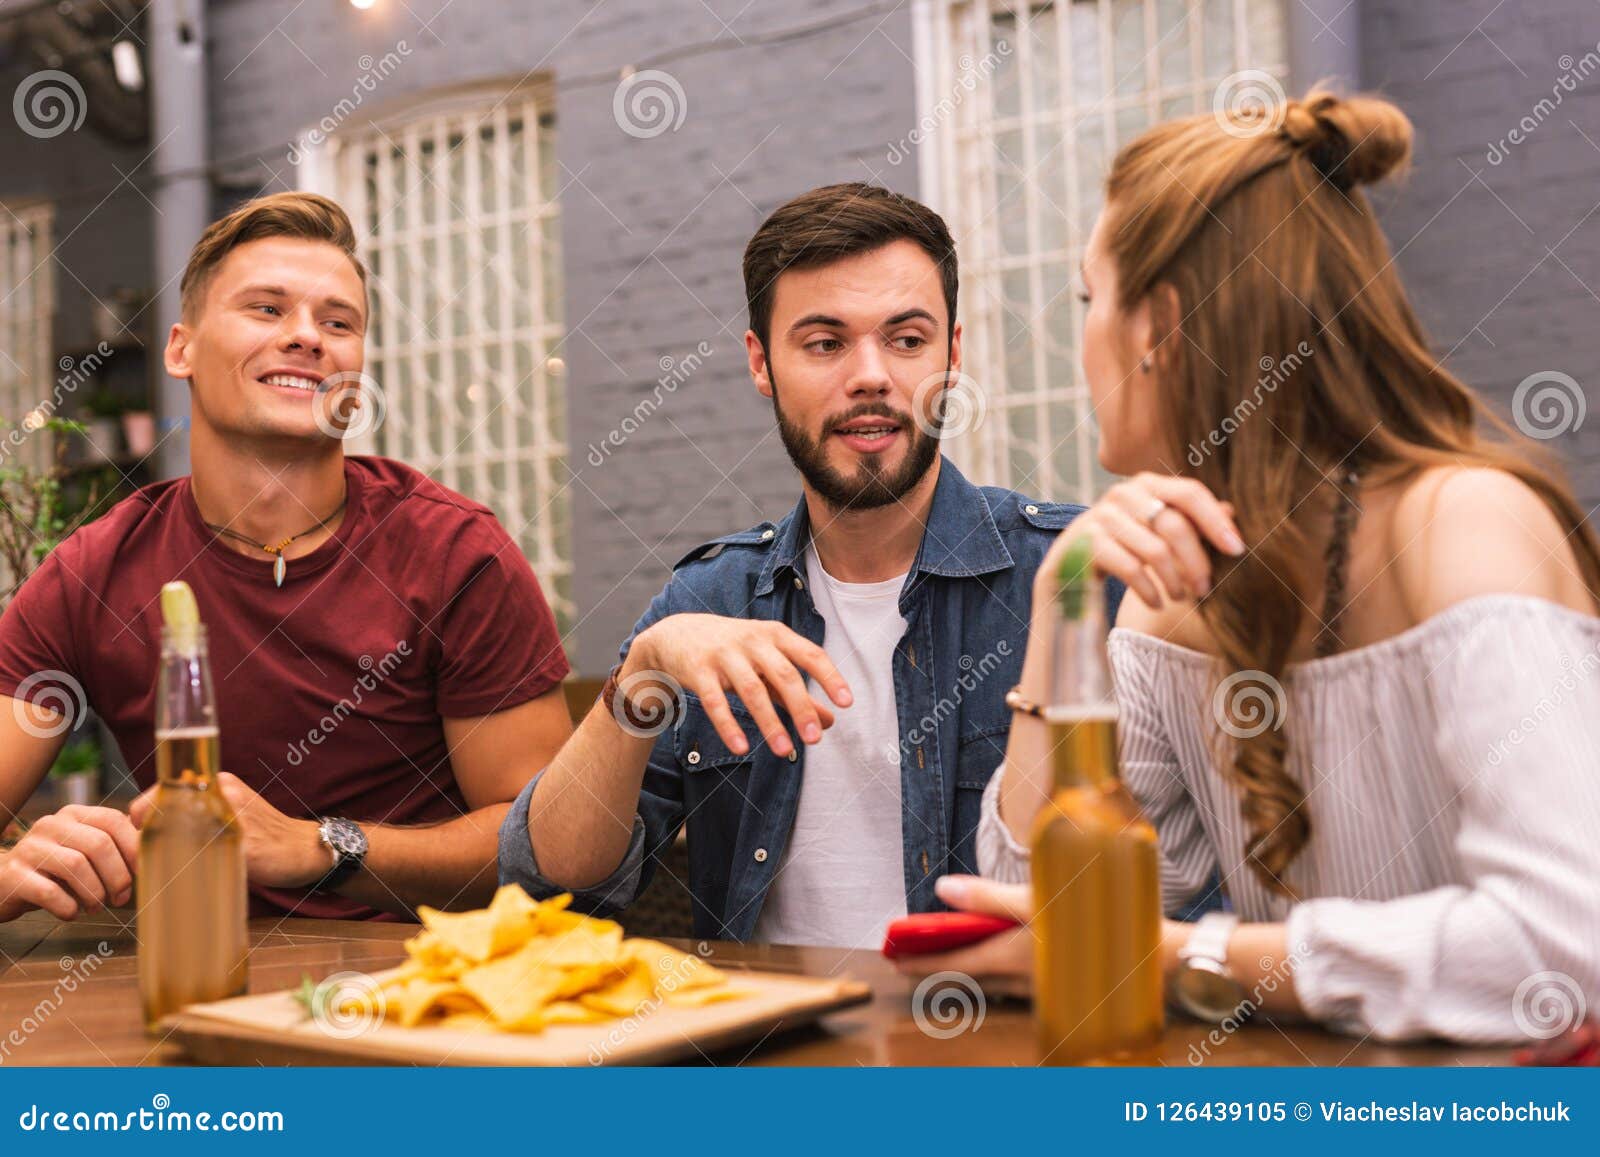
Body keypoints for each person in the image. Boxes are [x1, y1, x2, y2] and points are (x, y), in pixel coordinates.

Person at [895, 89, 1600, 1044]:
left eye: (1088, 300)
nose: (1082, 339)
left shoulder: (1465, 523)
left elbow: (1563, 951)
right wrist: (1062, 607)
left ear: (1160, 330)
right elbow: (1031, 909)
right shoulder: (1163, 595)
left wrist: (1185, 956)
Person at [499, 182, 1097, 948]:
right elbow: (547, 886)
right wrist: (644, 669)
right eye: (825, 343)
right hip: (774, 1058)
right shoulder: (709, 602)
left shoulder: (1064, 578)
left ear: (952, 354)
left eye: (907, 340)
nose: (871, 375)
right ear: (761, 364)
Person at [0, 192, 574, 923]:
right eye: (267, 309)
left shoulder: (452, 553)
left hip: (430, 997)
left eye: (338, 321)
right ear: (180, 348)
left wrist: (321, 847)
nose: (307, 336)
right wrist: (15, 871)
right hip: (199, 995)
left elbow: (548, 846)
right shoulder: (99, 570)